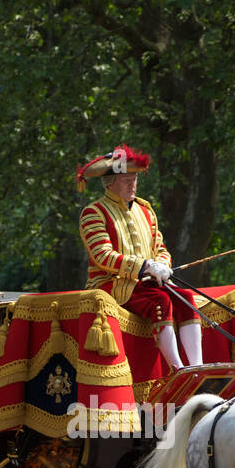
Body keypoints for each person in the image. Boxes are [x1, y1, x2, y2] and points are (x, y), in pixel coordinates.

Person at [77, 144, 203, 372]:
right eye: (126, 180)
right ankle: (177, 368)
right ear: (110, 183)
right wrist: (145, 266)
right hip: (111, 284)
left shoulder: (145, 210)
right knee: (160, 301)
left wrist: (162, 266)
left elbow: (160, 248)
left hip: (145, 282)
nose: (133, 184)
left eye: (134, 179)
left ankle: (197, 366)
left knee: (185, 297)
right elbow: (102, 256)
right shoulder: (94, 212)